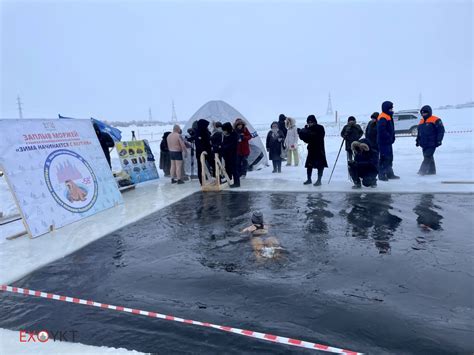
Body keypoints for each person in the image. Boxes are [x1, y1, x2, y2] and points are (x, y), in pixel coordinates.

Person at [297, 115, 328, 186]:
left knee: (320, 165)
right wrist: (301, 134)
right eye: (308, 122)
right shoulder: (309, 129)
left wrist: (307, 132)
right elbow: (307, 140)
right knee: (309, 165)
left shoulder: (320, 127)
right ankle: (309, 179)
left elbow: (318, 136)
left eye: (311, 122)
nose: (310, 123)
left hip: (319, 149)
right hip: (311, 149)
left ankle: (319, 180)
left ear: (314, 121)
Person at [416, 105, 445, 176]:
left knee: (427, 156)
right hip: (423, 143)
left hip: (432, 142)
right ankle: (432, 171)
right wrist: (417, 140)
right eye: (422, 113)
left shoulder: (436, 119)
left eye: (425, 113)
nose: (424, 114)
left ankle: (422, 171)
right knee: (429, 157)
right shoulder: (421, 121)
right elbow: (419, 132)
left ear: (429, 112)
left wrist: (439, 140)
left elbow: (441, 131)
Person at [377, 101, 399, 181]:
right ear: (386, 108)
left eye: (392, 108)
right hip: (383, 142)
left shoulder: (388, 116)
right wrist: (389, 137)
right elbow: (381, 130)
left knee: (389, 158)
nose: (392, 109)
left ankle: (390, 174)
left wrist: (391, 138)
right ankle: (381, 175)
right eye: (390, 108)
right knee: (384, 158)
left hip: (387, 142)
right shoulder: (383, 117)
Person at [221, 122, 240, 188]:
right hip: (227, 155)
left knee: (234, 169)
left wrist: (224, 147)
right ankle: (228, 179)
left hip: (233, 155)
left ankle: (237, 183)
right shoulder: (226, 135)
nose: (224, 131)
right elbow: (224, 144)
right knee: (227, 168)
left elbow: (232, 145)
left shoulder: (234, 134)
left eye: (224, 130)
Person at [195, 119, 213, 185]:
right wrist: (203, 150)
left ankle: (216, 177)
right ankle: (202, 181)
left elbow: (207, 140)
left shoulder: (205, 131)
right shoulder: (198, 132)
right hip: (201, 152)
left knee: (212, 163)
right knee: (200, 166)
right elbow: (199, 143)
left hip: (208, 151)